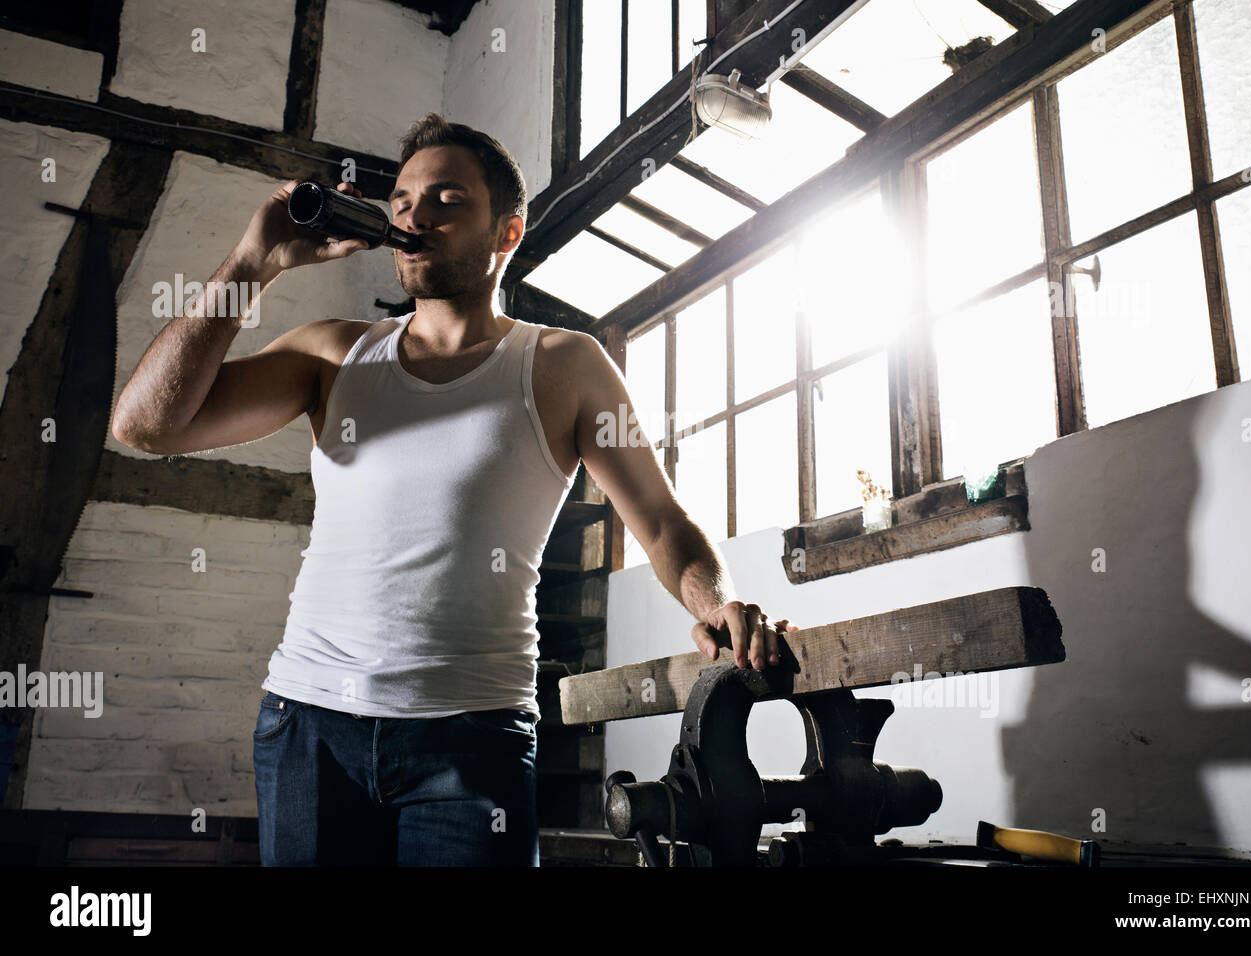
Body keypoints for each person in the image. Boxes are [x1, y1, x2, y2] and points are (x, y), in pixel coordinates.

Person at [112, 111, 790, 866]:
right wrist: (252, 262)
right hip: (310, 728)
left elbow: (662, 523)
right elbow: (147, 425)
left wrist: (716, 601)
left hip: (472, 740)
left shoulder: (564, 364)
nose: (415, 216)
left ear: (508, 231)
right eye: (402, 202)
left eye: (447, 200)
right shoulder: (332, 353)